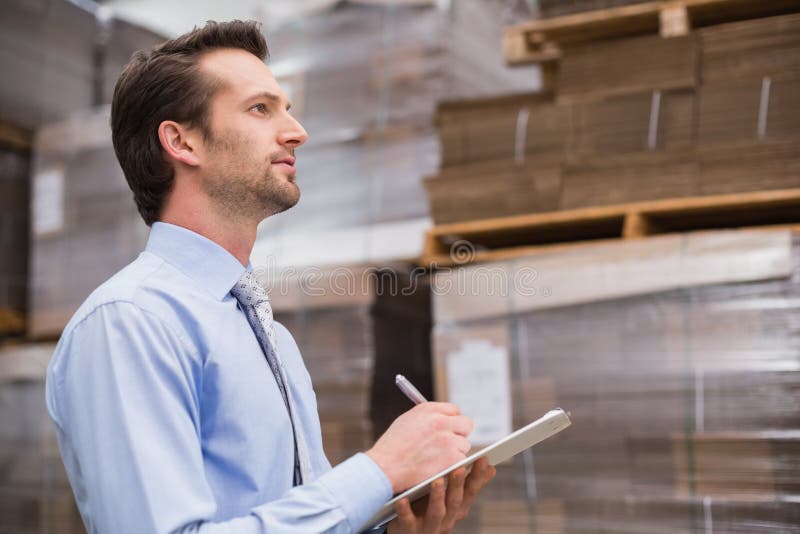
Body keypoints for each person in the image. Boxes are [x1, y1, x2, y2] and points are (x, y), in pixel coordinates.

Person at [45, 20, 495, 533]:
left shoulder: (270, 337)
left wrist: (394, 526)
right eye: (261, 109)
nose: (296, 131)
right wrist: (377, 470)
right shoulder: (131, 323)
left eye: (288, 108)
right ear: (182, 142)